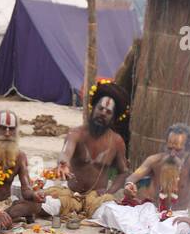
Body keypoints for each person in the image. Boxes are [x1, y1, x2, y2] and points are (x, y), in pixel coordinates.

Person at [91, 122, 190, 234]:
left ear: (188, 149)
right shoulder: (155, 160)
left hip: (176, 217)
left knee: (180, 229)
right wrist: (129, 186)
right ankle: (147, 233)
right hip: (153, 213)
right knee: (107, 210)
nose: (172, 154)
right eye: (169, 148)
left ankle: (142, 233)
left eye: (178, 150)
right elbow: (131, 178)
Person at [41, 88, 129, 220]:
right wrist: (63, 163)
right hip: (70, 194)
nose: (103, 113)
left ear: (112, 118)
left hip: (96, 200)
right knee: (46, 206)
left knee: (112, 215)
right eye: (100, 109)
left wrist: (109, 192)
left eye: (108, 112)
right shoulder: (76, 133)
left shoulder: (117, 142)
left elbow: (123, 172)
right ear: (93, 109)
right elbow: (66, 152)